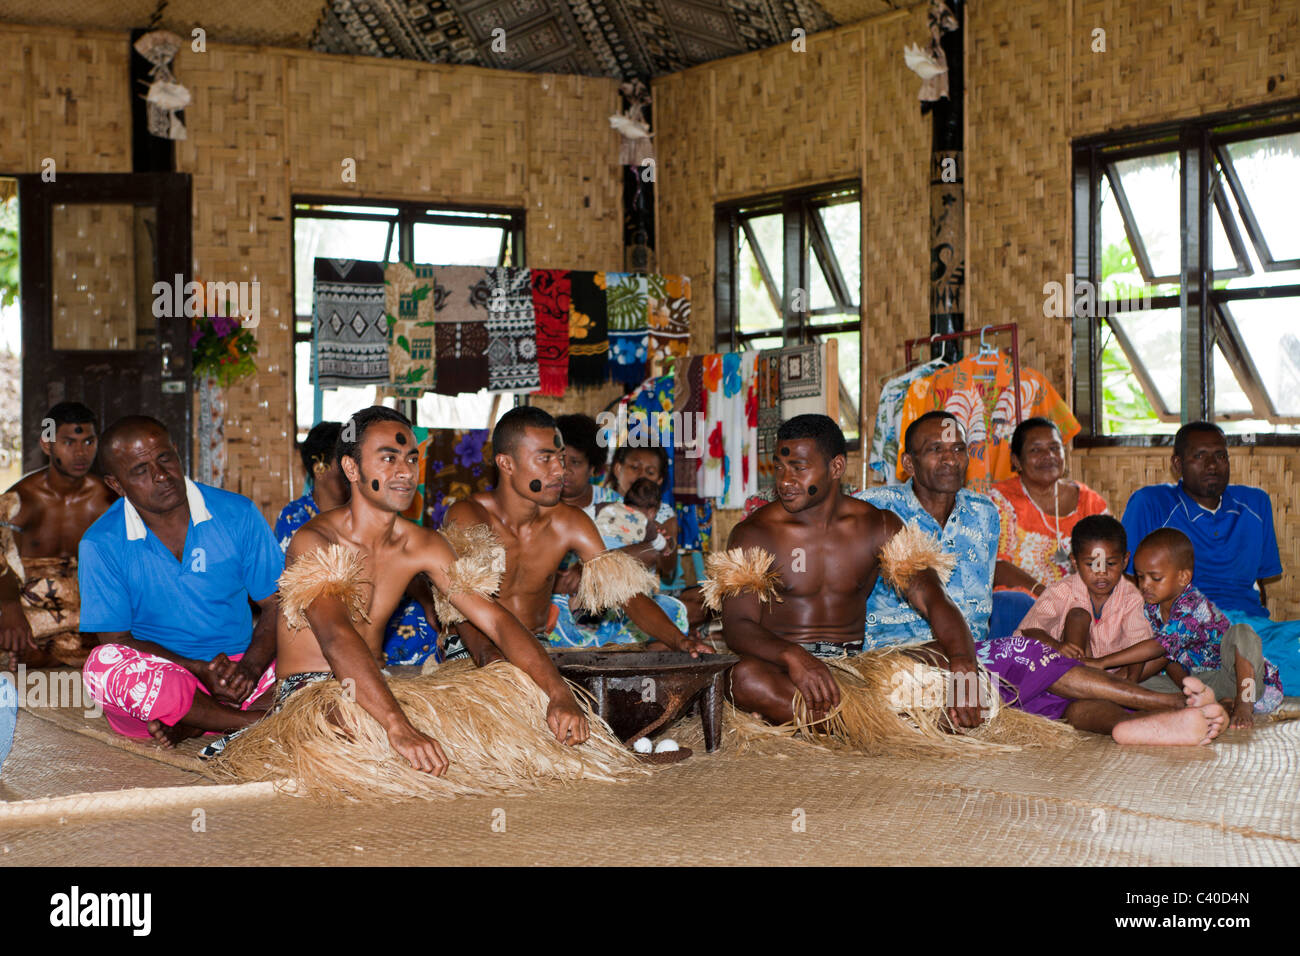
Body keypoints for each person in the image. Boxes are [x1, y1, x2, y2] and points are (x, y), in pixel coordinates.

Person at [717, 414, 1227, 746]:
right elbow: (738, 626)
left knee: (1015, 686)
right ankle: (875, 727)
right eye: (779, 465)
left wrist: (962, 661)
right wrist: (795, 657)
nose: (783, 479)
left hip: (866, 668)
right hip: (794, 669)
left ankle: (1155, 719)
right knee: (743, 679)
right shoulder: (754, 531)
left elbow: (934, 601)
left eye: (797, 467)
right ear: (909, 461)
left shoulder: (877, 525)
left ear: (834, 467)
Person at [267, 406, 593, 776]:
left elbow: (497, 621)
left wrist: (558, 693)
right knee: (365, 734)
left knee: (501, 707)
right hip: (313, 694)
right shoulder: (315, 542)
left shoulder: (421, 545)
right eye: (388, 459)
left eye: (411, 458)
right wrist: (398, 726)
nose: (405, 472)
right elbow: (336, 636)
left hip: (378, 683)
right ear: (352, 469)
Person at [443, 406, 712, 660]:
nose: (560, 470)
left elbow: (625, 593)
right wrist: (488, 659)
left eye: (560, 459)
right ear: (506, 463)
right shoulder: (469, 516)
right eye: (546, 458)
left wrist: (680, 641)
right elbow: (460, 603)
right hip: (473, 647)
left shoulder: (568, 522)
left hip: (535, 645)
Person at [77, 416, 281, 747]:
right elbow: (117, 638)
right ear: (116, 485)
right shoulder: (100, 543)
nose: (161, 476)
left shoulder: (238, 513)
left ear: (177, 452)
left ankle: (196, 722)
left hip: (242, 673)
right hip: (164, 676)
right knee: (102, 665)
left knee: (313, 642)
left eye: (165, 459)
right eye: (140, 471)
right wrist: (198, 670)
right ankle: (250, 722)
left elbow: (276, 602)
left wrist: (250, 669)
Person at [1121, 421, 1300, 691]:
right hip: (1189, 631)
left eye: (1220, 455)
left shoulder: (1254, 503)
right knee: (1264, 665)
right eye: (1199, 456)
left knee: (1278, 646)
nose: (1212, 465)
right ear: (1178, 465)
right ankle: (1241, 683)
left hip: (1250, 627)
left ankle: (1237, 681)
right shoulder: (1151, 503)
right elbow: (1129, 581)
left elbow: (1260, 586)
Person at [275, 421, 440, 666]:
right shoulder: (297, 520)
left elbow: (396, 560)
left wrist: (428, 600)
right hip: (331, 626)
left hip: (383, 612)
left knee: (424, 621)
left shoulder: (375, 511)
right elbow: (332, 629)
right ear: (320, 468)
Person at [1088, 528, 1283, 730]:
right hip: (1197, 683)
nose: (1145, 585)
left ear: (1183, 577)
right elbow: (1165, 658)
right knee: (1142, 688)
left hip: (1236, 678)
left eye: (1155, 578)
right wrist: (1127, 683)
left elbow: (1158, 647)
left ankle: (1243, 705)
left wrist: (1102, 663)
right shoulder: (1151, 608)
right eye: (1140, 576)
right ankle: (1211, 704)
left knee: (1243, 633)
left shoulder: (1192, 607)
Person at [852, 411, 998, 648]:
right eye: (936, 449)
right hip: (896, 658)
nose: (951, 460)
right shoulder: (874, 507)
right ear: (909, 463)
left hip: (972, 655)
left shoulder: (984, 513)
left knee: (1043, 661)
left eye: (959, 449)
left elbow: (982, 602)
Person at [0, 402, 117, 668]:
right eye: (69, 442)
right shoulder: (21, 500)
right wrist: (9, 609)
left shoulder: (110, 501)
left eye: (88, 441)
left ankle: (48, 658)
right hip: (29, 610)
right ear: (47, 445)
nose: (81, 452)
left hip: (88, 613)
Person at [988, 417, 1109, 638]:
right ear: (1016, 460)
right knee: (1008, 603)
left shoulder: (1089, 502)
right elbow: (996, 565)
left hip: (1080, 604)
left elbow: (1107, 557)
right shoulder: (1000, 499)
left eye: (1055, 448)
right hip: (1024, 602)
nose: (1048, 456)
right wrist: (1046, 596)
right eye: (1036, 450)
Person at [1015, 515, 1153, 680]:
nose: (1101, 572)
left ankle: (1116, 690)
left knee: (1163, 649)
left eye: (1110, 563)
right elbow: (1030, 630)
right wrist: (1057, 646)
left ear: (1124, 561)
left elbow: (1137, 644)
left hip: (1111, 673)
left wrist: (1131, 682)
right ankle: (1078, 680)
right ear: (1074, 561)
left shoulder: (1131, 597)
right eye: (1091, 564)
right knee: (1078, 615)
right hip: (1063, 669)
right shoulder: (1060, 591)